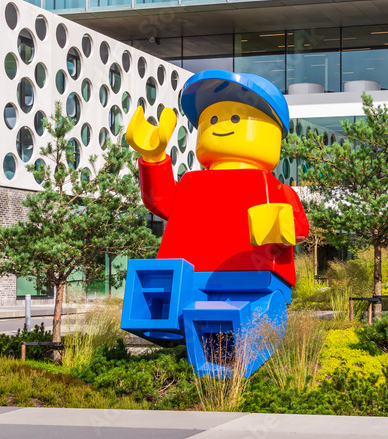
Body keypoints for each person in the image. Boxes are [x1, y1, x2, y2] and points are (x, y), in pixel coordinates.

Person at [120, 70, 308, 378]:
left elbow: (299, 227)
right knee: (168, 314)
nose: (220, 126)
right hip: (188, 275)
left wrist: (281, 224)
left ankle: (226, 366)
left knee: (233, 321)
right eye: (213, 120)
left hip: (253, 276)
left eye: (235, 119)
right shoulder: (192, 182)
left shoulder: (274, 187)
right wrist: (153, 159)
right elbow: (162, 201)